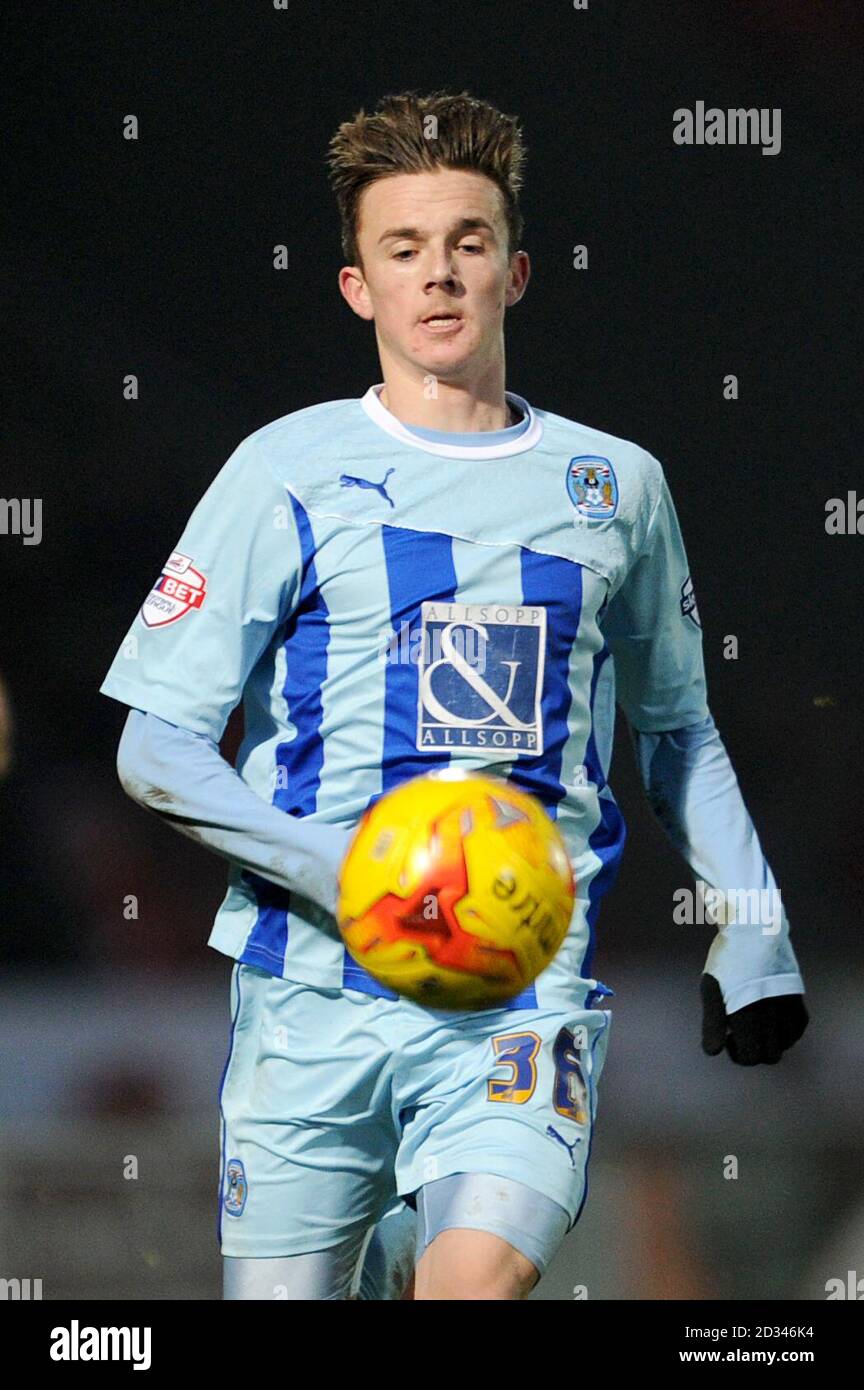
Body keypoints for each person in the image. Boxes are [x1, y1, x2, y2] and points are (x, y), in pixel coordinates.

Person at [100, 89, 808, 1301]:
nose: (439, 277)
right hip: (310, 1001)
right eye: (404, 249)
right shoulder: (285, 469)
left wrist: (756, 924)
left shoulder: (616, 487)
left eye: (468, 245)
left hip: (519, 997)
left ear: (516, 271)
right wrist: (355, 876)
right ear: (357, 287)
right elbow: (157, 746)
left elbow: (678, 728)